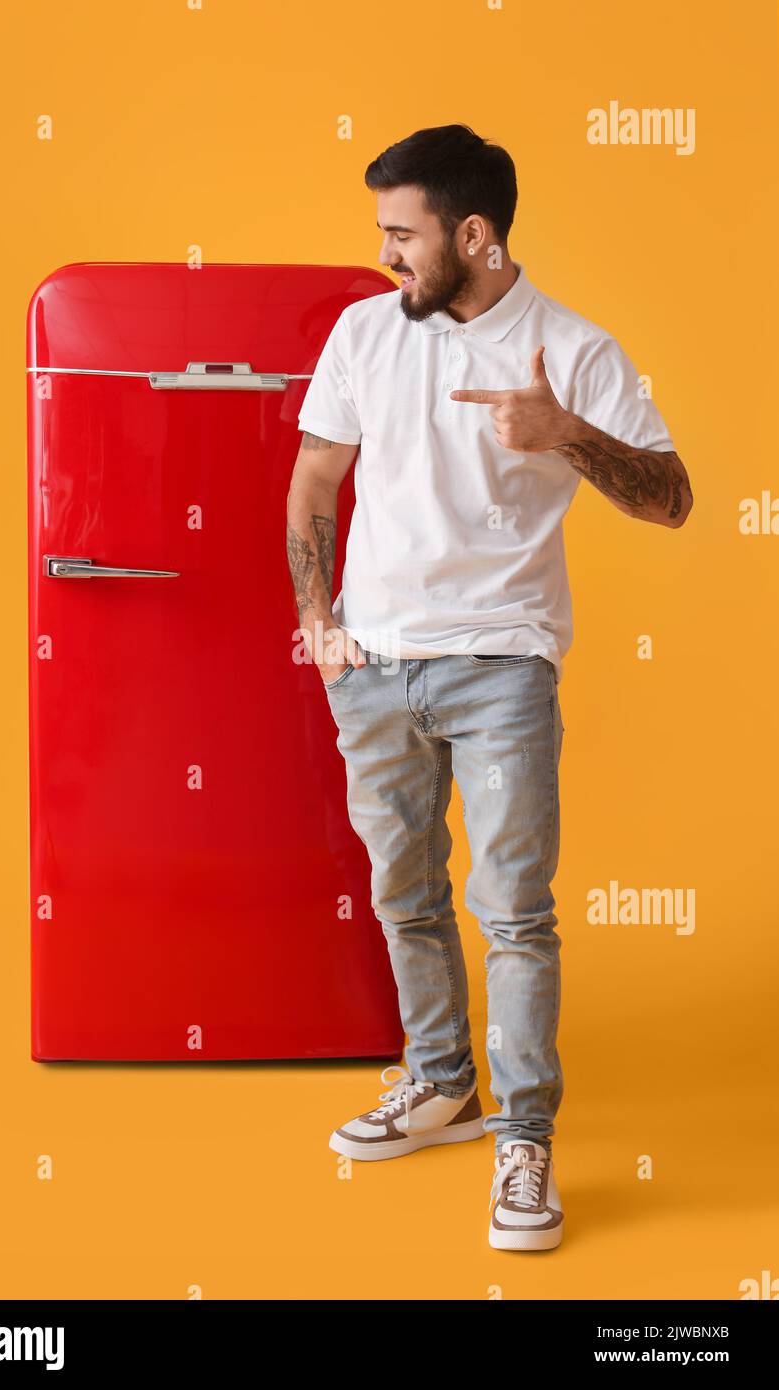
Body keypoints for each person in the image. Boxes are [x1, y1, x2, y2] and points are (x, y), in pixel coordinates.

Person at [285, 123, 692, 1251]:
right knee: (402, 893)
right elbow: (315, 477)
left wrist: (564, 433)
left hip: (502, 664)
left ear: (474, 235)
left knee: (513, 911)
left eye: (401, 234)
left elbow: (670, 500)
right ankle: (440, 1085)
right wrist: (320, 626)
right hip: (372, 666)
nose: (383, 255)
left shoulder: (574, 350)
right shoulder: (365, 331)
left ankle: (523, 1141)